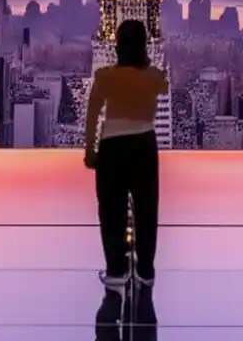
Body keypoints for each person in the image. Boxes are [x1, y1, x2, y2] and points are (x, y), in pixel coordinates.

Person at [83, 19, 167, 291]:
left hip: (113, 148)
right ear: (143, 46)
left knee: (111, 212)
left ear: (118, 46)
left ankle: (116, 269)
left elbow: (92, 115)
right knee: (146, 211)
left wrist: (90, 149)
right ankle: (146, 271)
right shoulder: (154, 77)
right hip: (144, 146)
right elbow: (163, 87)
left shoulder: (104, 77)